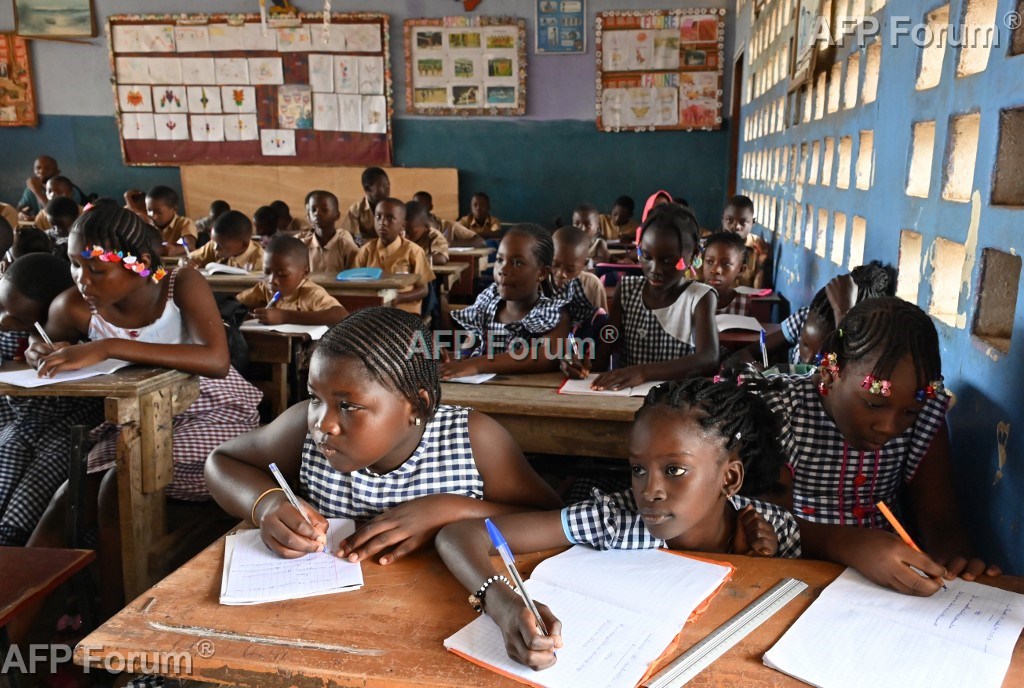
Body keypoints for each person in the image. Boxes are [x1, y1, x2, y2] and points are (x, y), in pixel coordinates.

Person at [435, 377, 801, 670]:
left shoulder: (774, 531)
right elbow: (458, 536)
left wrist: (759, 570)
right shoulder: (614, 519)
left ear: (730, 479)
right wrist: (502, 604)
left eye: (674, 470)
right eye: (638, 469)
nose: (649, 491)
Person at [26, 200, 261, 609]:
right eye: (74, 265)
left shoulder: (179, 284)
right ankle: (17, 629)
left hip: (212, 411)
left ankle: (119, 612)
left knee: (118, 486)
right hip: (135, 420)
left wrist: (108, 347)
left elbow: (215, 360)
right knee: (68, 497)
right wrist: (39, 351)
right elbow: (40, 342)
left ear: (140, 264)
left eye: (97, 269)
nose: (82, 279)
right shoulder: (75, 306)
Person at [204, 307, 562, 564]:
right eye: (315, 398)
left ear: (415, 407)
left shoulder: (472, 439)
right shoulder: (302, 429)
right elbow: (221, 462)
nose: (323, 423)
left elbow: (551, 516)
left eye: (348, 406)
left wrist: (450, 511)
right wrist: (266, 503)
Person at [745, 297, 1000, 595]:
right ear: (829, 373)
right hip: (799, 571)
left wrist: (955, 563)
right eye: (873, 403)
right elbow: (771, 524)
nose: (890, 427)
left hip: (890, 576)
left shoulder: (926, 419)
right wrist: (852, 544)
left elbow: (939, 518)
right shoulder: (780, 412)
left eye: (909, 411)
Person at [0, 254, 104, 546]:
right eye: (1, 307)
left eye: (19, 318)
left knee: (42, 478)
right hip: (17, 428)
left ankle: (11, 541)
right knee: (9, 452)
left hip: (69, 433)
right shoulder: (7, 332)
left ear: (53, 316)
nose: (5, 320)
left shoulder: (85, 341)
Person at [563, 204, 718, 390]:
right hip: (628, 398)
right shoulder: (627, 289)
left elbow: (709, 358)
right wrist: (584, 363)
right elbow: (609, 339)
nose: (654, 269)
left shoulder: (699, 297)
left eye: (668, 260)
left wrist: (643, 372)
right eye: (646, 256)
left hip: (676, 404)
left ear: (693, 256)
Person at [442, 224, 573, 380]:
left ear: (542, 272)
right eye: (499, 260)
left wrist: (477, 365)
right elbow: (469, 349)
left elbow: (548, 356)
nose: (503, 269)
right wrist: (453, 358)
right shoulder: (487, 303)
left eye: (517, 263)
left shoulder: (552, 312)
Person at [237, 234, 348, 327]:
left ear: (304, 273)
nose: (272, 280)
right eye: (267, 272)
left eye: (282, 275)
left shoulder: (311, 293)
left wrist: (284, 317)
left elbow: (341, 316)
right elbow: (237, 301)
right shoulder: (265, 288)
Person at [353, 198, 434, 315]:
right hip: (373, 312)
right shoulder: (366, 251)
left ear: (402, 226)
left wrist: (398, 298)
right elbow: (353, 285)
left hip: (405, 312)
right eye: (378, 217)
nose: (382, 222)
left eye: (390, 218)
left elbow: (423, 290)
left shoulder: (414, 251)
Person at [551, 225, 608, 312]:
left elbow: (601, 320)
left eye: (570, 269)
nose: (561, 273)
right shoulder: (538, 281)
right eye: (555, 264)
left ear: (584, 265)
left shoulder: (592, 285)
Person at [299, 190, 358, 274]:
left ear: (337, 215)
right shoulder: (302, 247)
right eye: (313, 210)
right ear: (308, 215)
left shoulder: (347, 248)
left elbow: (353, 279)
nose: (317, 213)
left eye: (324, 210)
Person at [721, 194, 771, 289]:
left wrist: (761, 265)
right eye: (730, 220)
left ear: (753, 223)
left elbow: (758, 292)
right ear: (722, 220)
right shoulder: (710, 247)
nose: (736, 227)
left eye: (743, 222)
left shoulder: (758, 248)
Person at [187, 210, 264, 270]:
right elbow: (188, 258)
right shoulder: (215, 245)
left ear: (243, 246)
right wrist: (185, 262)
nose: (215, 248)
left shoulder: (260, 260)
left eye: (220, 246)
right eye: (214, 242)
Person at [702, 232, 751, 316]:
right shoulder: (689, 299)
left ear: (740, 270)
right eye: (710, 262)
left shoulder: (745, 304)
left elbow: (760, 330)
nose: (715, 270)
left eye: (726, 264)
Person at [412, 191, 484, 248]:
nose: (419, 210)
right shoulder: (409, 228)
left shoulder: (449, 225)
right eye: (416, 206)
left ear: (431, 207)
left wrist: (448, 243)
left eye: (423, 206)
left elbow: (479, 241)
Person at [342, 167, 391, 244]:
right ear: (367, 189)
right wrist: (360, 241)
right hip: (365, 249)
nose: (387, 189)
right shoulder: (357, 209)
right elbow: (347, 234)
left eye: (388, 185)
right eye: (383, 186)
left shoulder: (394, 208)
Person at [146, 185, 197, 256]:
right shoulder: (147, 225)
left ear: (174, 210)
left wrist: (176, 250)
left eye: (159, 212)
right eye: (149, 210)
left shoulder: (184, 223)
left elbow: (190, 246)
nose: (152, 216)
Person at [404, 200, 449, 266]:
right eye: (402, 229)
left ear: (426, 226)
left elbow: (441, 258)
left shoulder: (434, 236)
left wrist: (414, 259)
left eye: (410, 232)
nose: (405, 235)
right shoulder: (396, 234)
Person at [17, 155, 59, 220]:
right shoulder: (31, 189)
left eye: (47, 168)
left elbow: (54, 214)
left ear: (57, 172)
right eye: (38, 168)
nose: (41, 171)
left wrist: (36, 191)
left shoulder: (65, 188)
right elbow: (20, 210)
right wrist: (22, 215)